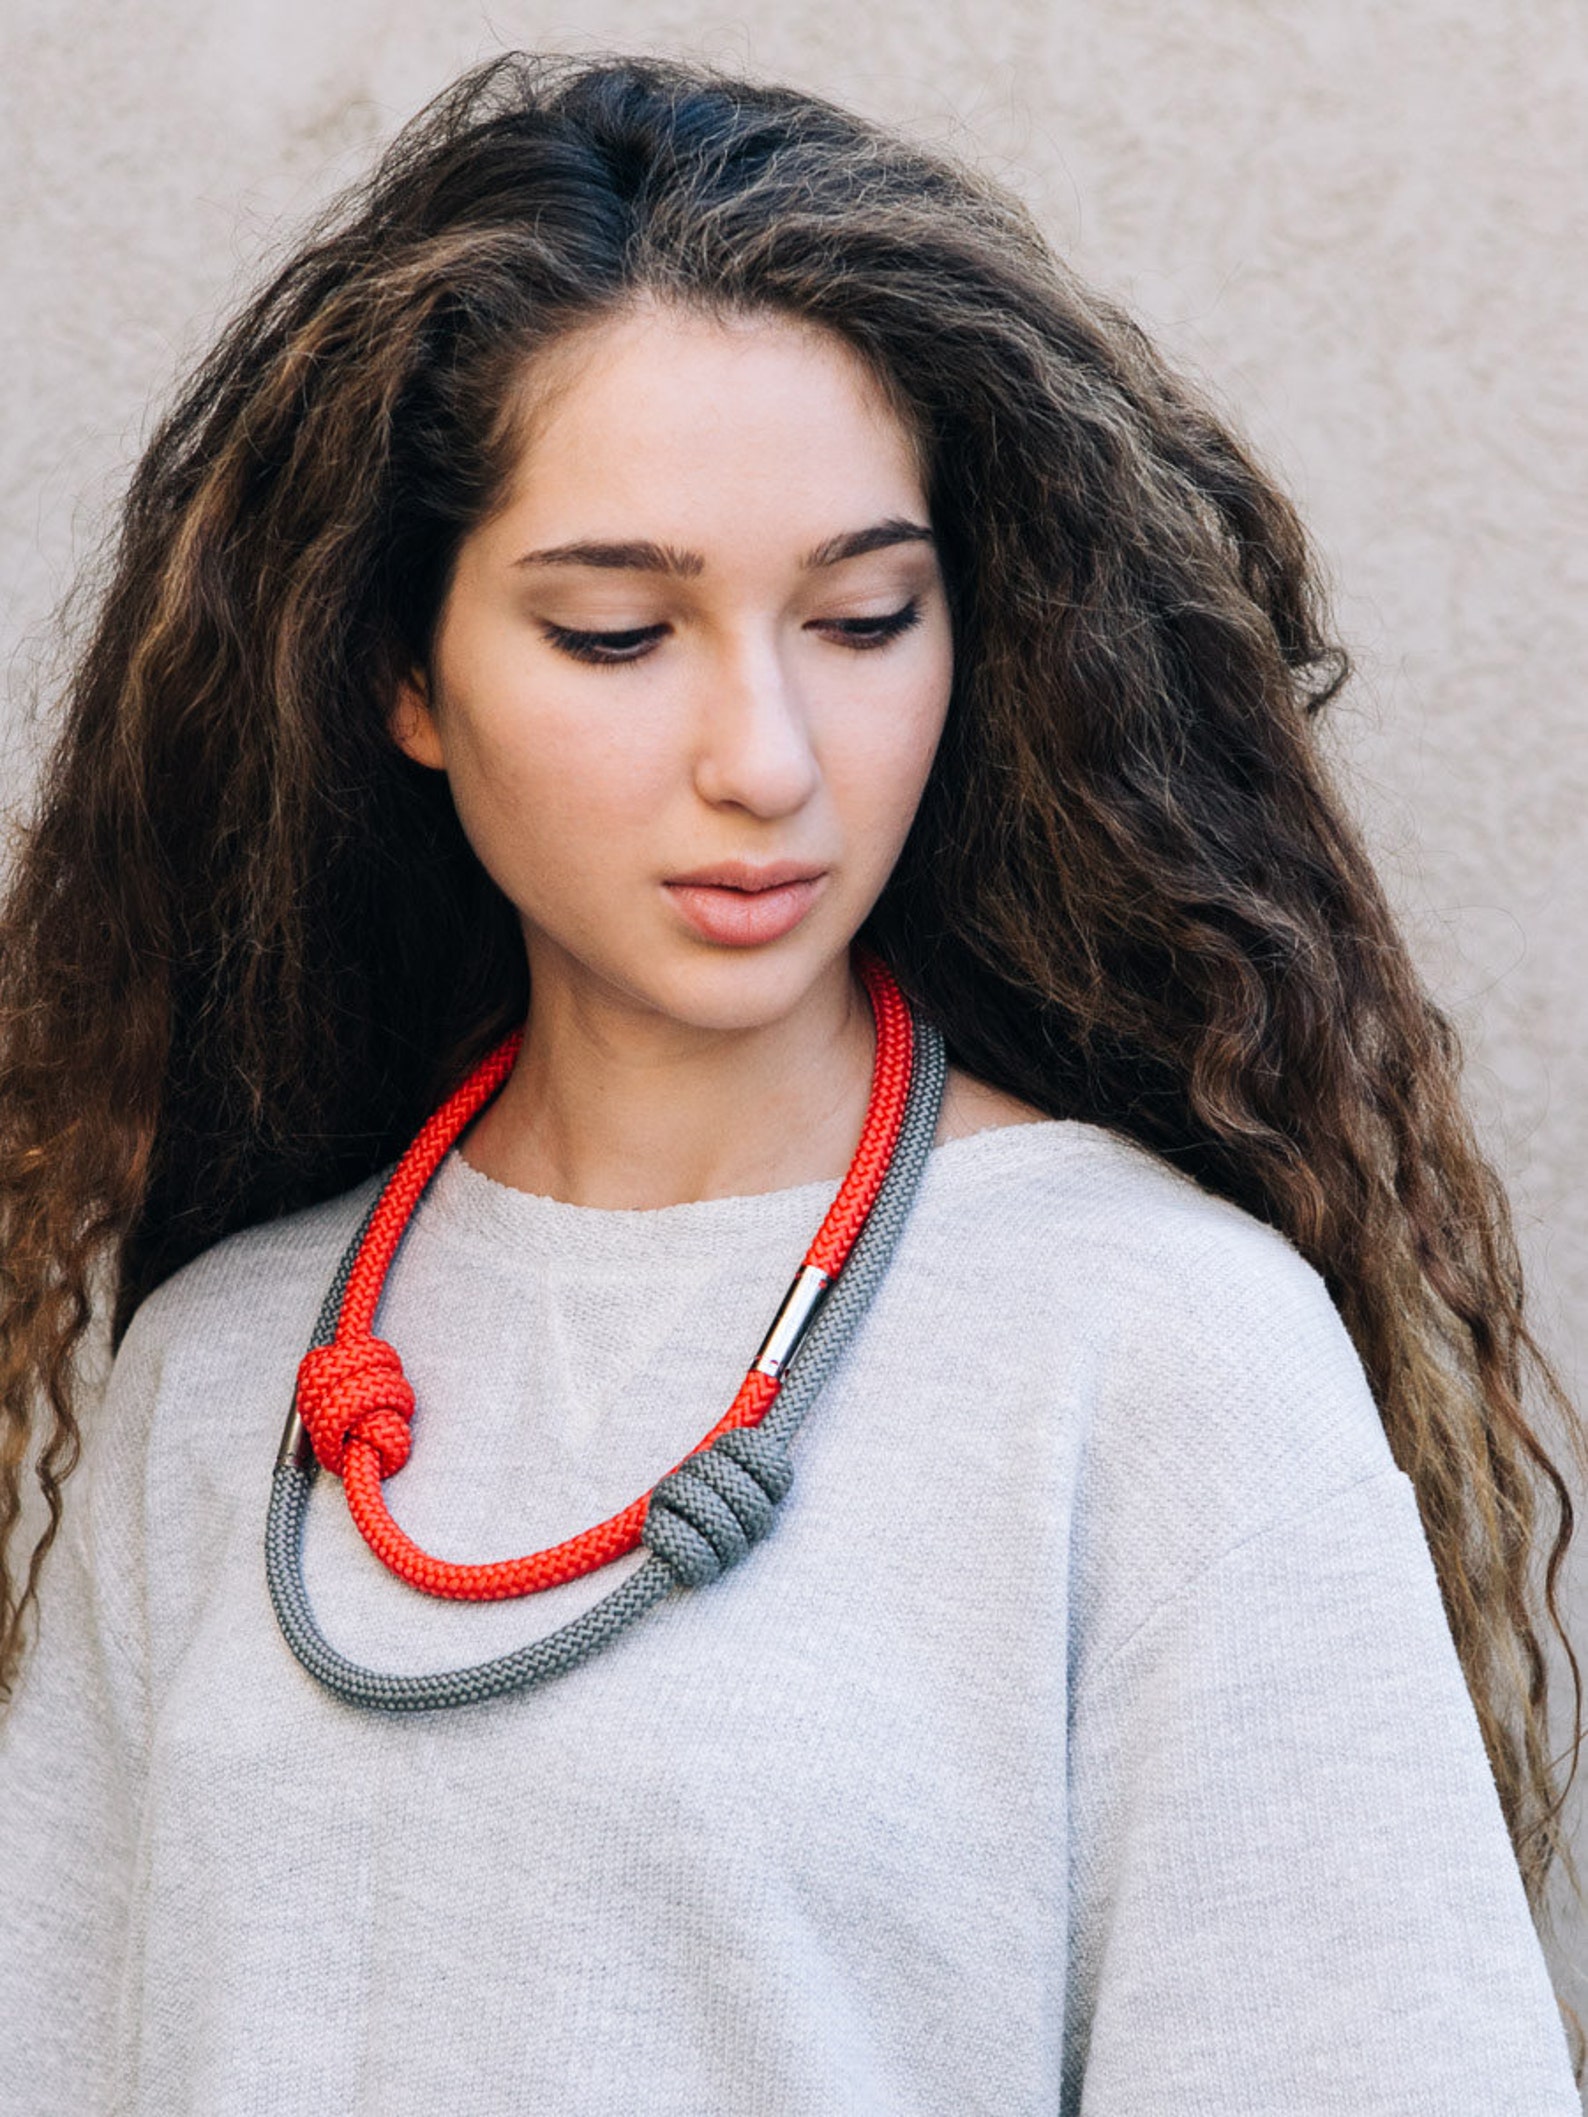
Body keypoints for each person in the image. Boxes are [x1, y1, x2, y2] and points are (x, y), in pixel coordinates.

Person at [0, 50, 1582, 2115]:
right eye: (612, 634)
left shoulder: (1154, 1353)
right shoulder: (224, 1381)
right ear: (399, 671)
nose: (765, 754)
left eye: (859, 617)